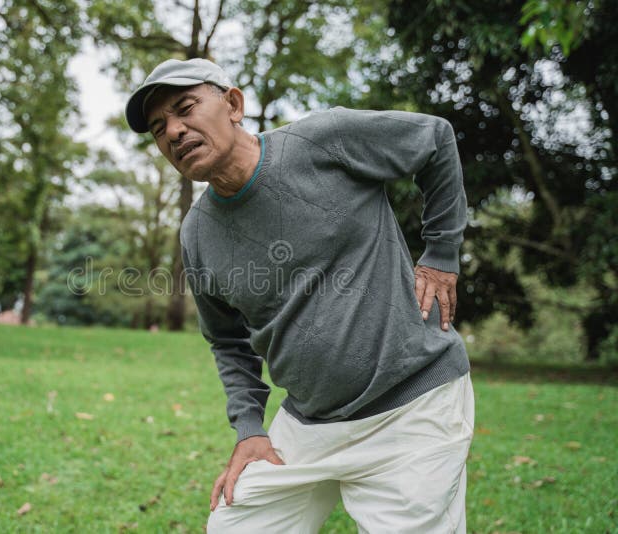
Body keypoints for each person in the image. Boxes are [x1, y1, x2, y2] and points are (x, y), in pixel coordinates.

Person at [125, 58, 475, 533]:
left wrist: (441, 253)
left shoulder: (324, 139)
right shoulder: (196, 233)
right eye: (158, 127)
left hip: (413, 409)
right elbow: (228, 341)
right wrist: (249, 428)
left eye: (185, 108)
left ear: (233, 104)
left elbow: (434, 139)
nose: (174, 132)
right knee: (234, 525)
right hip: (309, 425)